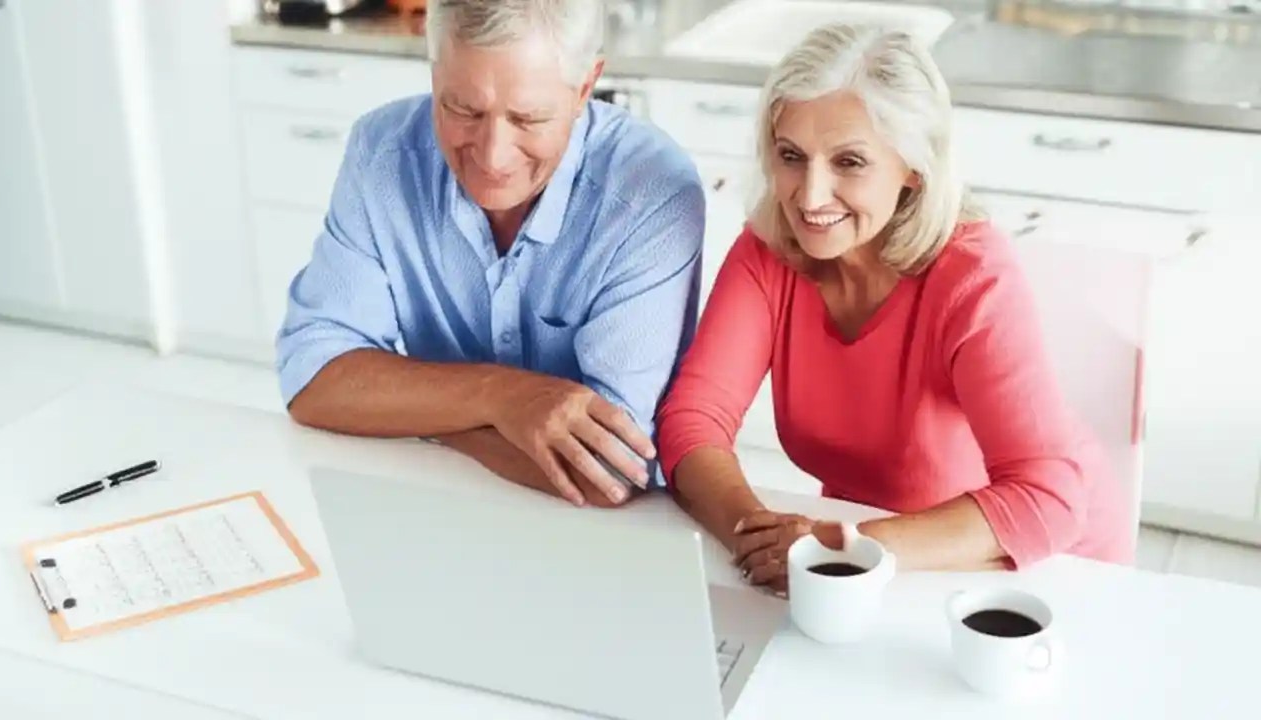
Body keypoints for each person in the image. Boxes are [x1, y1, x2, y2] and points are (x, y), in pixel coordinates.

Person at [656, 24, 1132, 594]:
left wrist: (841, 549)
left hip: (1027, 556)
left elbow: (1046, 498)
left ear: (913, 166)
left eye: (849, 162)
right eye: (791, 156)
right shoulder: (769, 250)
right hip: (874, 547)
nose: (809, 197)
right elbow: (693, 420)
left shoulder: (973, 277)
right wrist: (753, 536)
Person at [277, 0, 705, 508]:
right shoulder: (382, 153)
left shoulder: (652, 194)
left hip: (595, 537)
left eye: (528, 118)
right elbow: (312, 378)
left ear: (585, 88)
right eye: (463, 109)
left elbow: (608, 470)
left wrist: (418, 416)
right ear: (434, 73)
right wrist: (501, 397)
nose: (492, 156)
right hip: (435, 504)